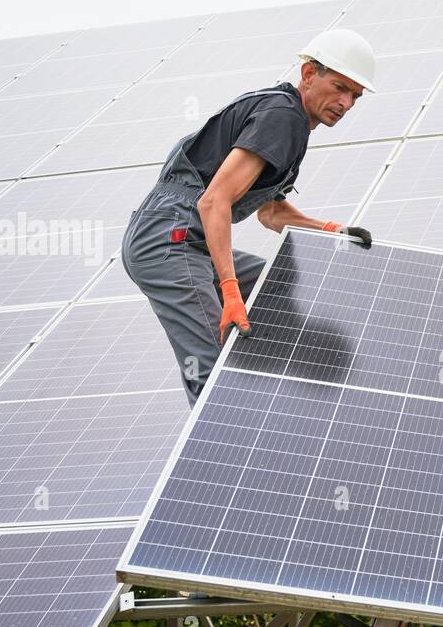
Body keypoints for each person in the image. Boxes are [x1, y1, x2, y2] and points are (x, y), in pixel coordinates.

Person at [121, 28, 377, 405]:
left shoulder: (290, 121)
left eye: (354, 95)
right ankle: (218, 444)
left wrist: (328, 229)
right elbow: (214, 202)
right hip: (171, 241)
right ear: (308, 74)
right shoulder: (283, 116)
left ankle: (257, 385)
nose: (346, 103)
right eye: (339, 87)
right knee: (212, 369)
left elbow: (271, 213)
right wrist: (228, 290)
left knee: (270, 289)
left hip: (190, 242)